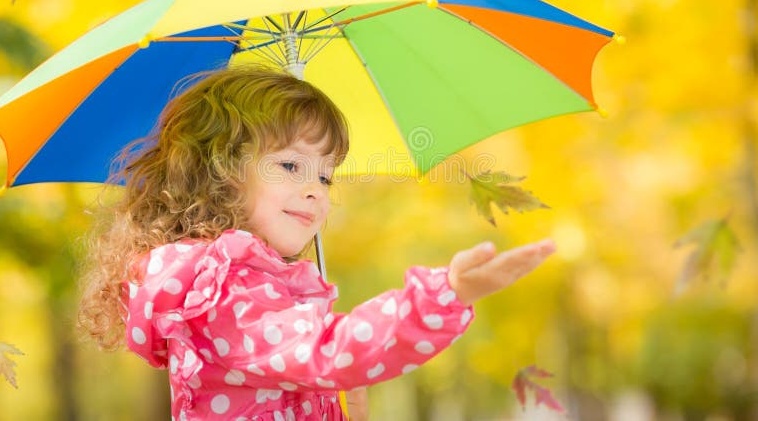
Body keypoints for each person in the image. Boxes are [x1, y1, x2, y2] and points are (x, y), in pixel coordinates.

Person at [78, 65, 556, 420]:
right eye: (290, 166)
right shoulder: (224, 292)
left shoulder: (257, 287)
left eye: (325, 176)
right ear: (220, 171)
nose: (314, 189)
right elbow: (326, 351)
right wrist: (446, 296)